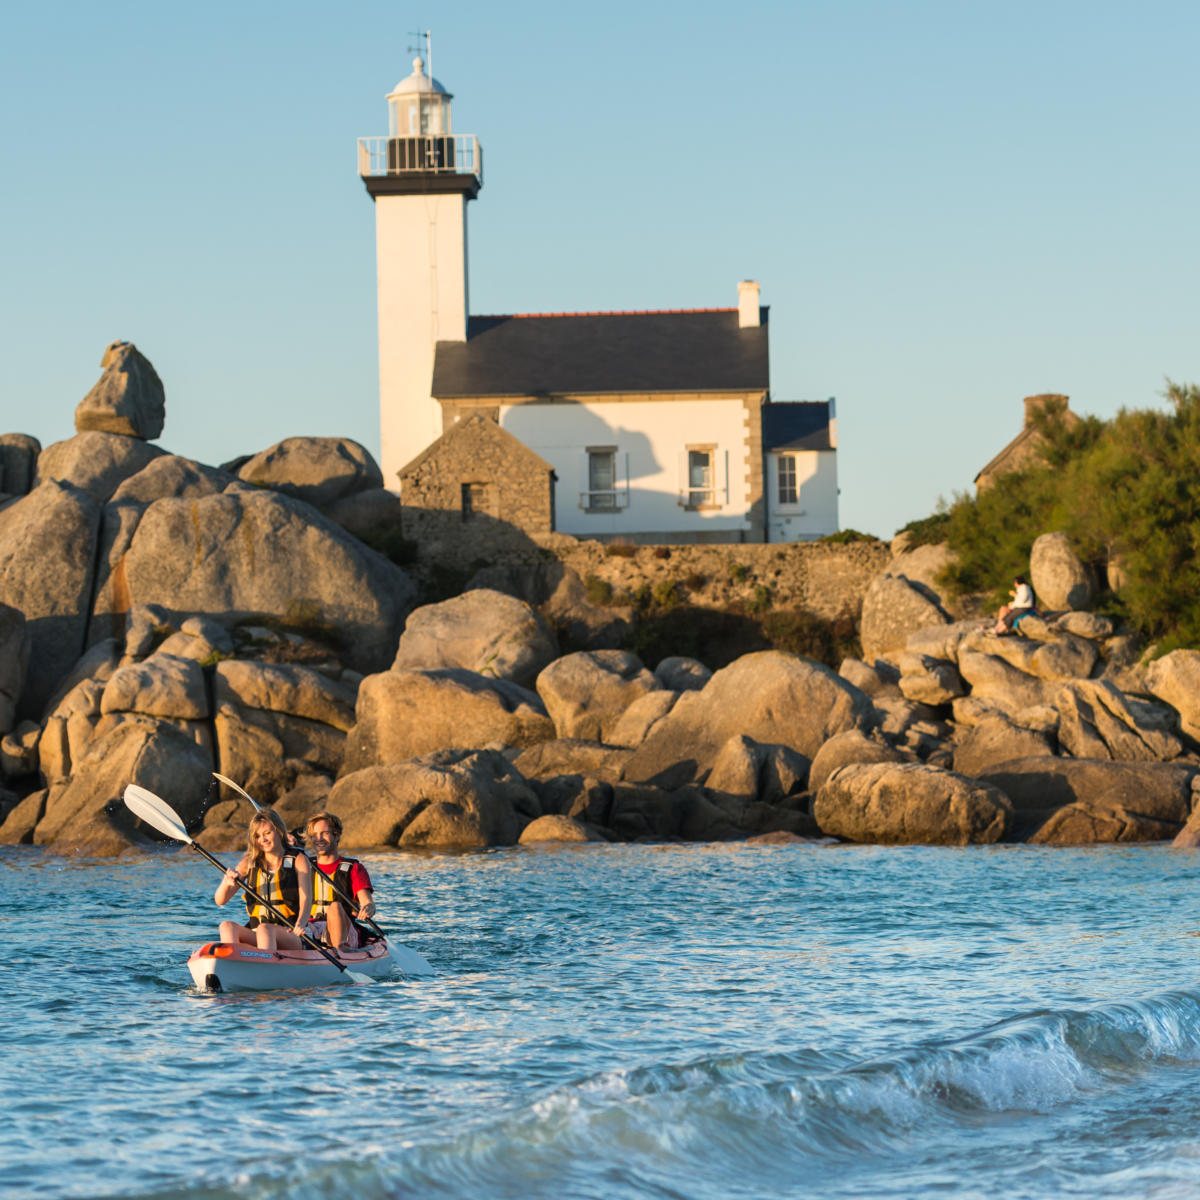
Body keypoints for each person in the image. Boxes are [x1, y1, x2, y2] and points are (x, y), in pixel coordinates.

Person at [215, 810, 314, 952]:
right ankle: (235, 965)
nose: (263, 839)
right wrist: (226, 883)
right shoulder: (249, 862)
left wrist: (300, 924)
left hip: (290, 934)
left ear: (279, 831)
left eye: (267, 833)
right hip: (256, 932)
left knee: (265, 929)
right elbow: (220, 900)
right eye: (257, 836)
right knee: (226, 926)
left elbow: (307, 899)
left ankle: (266, 968)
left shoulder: (298, 859)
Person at [305, 811, 377, 952]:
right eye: (314, 835)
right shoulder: (303, 866)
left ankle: (340, 950)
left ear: (336, 836)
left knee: (335, 907)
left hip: (344, 930)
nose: (319, 839)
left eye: (325, 833)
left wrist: (367, 908)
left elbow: (368, 902)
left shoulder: (354, 868)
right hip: (310, 928)